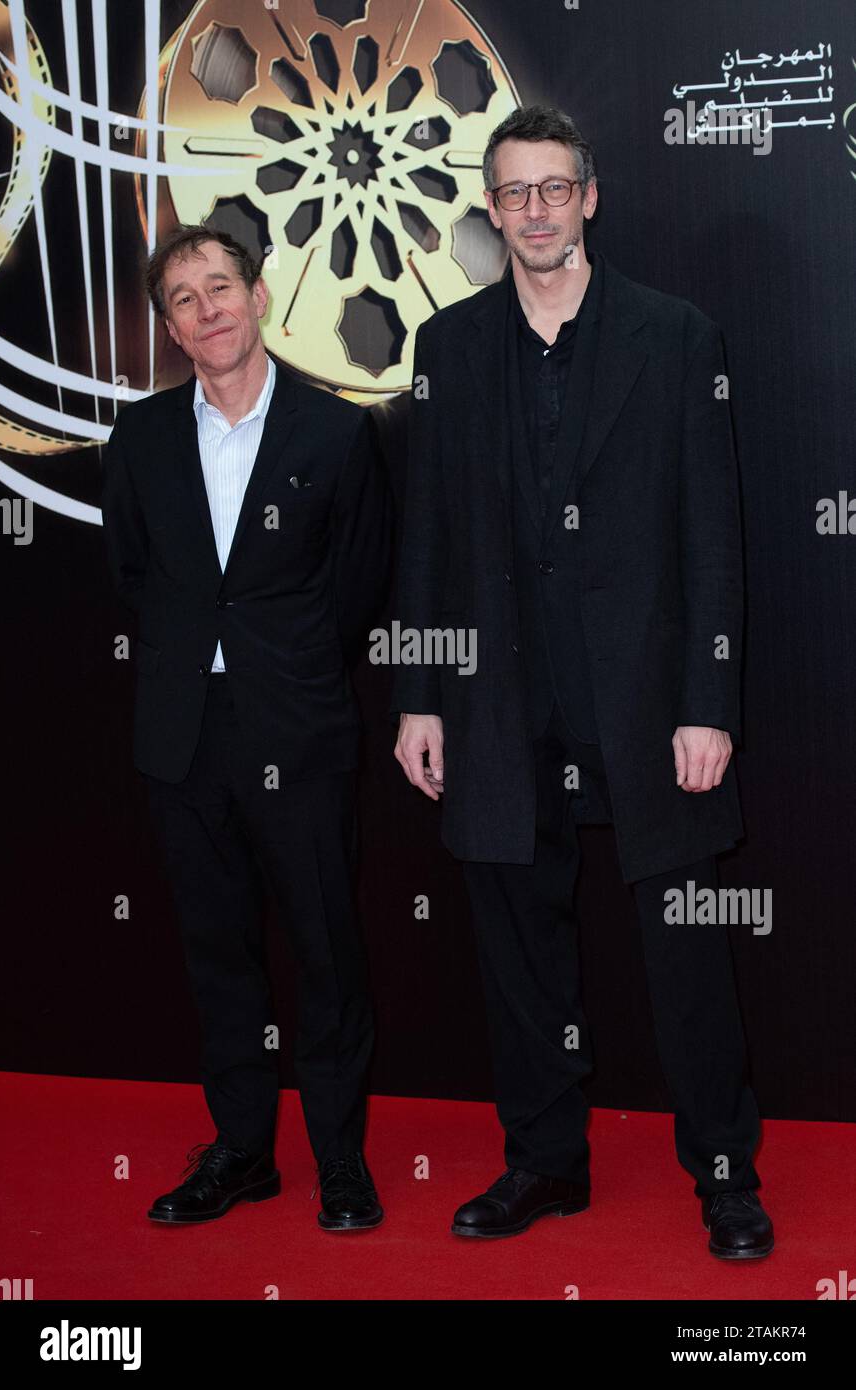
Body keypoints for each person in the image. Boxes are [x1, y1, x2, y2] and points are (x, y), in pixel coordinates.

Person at [392, 105, 772, 1259]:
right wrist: (417, 690)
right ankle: (545, 1163)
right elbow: (425, 534)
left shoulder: (676, 335)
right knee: (520, 956)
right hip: (502, 696)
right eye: (512, 193)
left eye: (553, 188)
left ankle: (722, 1175)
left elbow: (713, 538)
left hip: (649, 704)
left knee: (685, 955)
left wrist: (708, 703)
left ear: (589, 197)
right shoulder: (447, 350)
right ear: (491, 208)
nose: (535, 211)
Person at [101, 224, 392, 1231]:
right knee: (216, 949)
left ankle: (340, 1160)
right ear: (172, 327)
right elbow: (135, 575)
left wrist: (283, 662)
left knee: (324, 948)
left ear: (259, 296)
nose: (207, 308)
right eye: (183, 298)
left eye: (220, 286)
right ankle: (240, 1152)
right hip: (184, 734)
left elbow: (355, 586)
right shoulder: (138, 440)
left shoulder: (334, 433)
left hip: (297, 728)